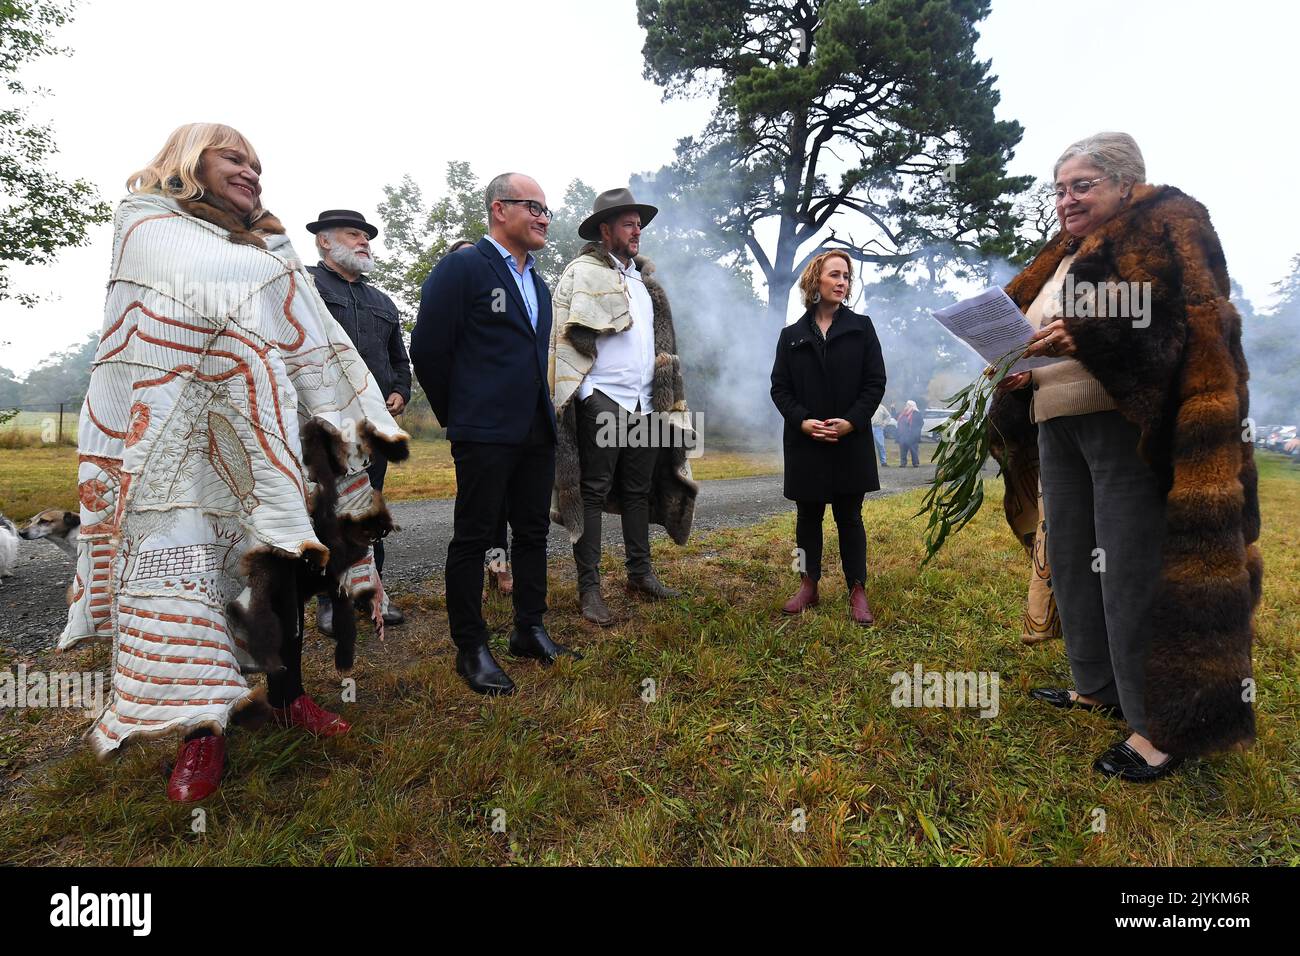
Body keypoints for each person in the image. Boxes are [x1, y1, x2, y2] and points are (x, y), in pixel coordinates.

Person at [58, 123, 408, 801]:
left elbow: (308, 336)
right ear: (191, 161)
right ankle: (202, 735)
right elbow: (213, 282)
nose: (251, 171)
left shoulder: (263, 247)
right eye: (234, 158)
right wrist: (273, 247)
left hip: (261, 433)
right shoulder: (148, 221)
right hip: (178, 443)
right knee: (191, 576)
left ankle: (285, 696)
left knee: (276, 569)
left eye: (257, 164)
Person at [996, 131, 1260, 781]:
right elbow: (1046, 337)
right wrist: (1020, 368)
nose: (1065, 200)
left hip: (1127, 424)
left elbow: (1187, 319)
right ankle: (1096, 687)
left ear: (1125, 183)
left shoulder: (1171, 223)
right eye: (1058, 189)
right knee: (1073, 562)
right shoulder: (1062, 253)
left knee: (1128, 569)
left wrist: (1086, 335)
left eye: (1081, 185)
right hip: (1055, 421)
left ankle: (1157, 726)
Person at [410, 173, 580, 696]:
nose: (545, 217)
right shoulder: (464, 267)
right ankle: (472, 647)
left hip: (535, 427)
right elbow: (428, 347)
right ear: (499, 209)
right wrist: (459, 414)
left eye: (547, 209)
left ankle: (529, 628)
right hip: (483, 430)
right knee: (476, 534)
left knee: (531, 531)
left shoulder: (539, 285)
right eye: (534, 206)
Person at [549, 188, 697, 625]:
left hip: (647, 402)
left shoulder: (646, 284)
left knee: (638, 488)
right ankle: (589, 590)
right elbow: (561, 339)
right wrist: (586, 394)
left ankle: (640, 574)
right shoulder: (580, 273)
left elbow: (660, 345)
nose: (638, 232)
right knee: (592, 492)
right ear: (605, 229)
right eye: (629, 224)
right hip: (604, 400)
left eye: (640, 225)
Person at [307, 209, 411, 633]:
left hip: (372, 426)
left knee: (369, 508)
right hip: (323, 423)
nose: (364, 241)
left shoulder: (382, 302)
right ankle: (330, 599)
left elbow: (398, 359)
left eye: (367, 236)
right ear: (324, 242)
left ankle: (371, 594)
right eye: (354, 234)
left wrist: (400, 390)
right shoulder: (305, 290)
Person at [770, 251, 887, 625]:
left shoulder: (861, 328)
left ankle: (858, 589)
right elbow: (780, 389)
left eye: (847, 277)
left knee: (850, 517)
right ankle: (808, 584)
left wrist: (852, 422)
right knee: (807, 517)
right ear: (814, 281)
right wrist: (802, 421)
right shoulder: (791, 336)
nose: (842, 282)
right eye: (834, 275)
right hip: (806, 443)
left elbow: (875, 383)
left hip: (849, 442)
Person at [895, 400, 923, 466]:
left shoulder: (916, 413)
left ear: (911, 406)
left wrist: (916, 431)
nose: (906, 406)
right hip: (903, 435)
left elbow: (921, 423)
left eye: (908, 405)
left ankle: (915, 463)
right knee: (903, 450)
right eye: (906, 405)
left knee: (913, 450)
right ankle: (903, 463)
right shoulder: (902, 413)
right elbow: (895, 417)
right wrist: (892, 408)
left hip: (912, 435)